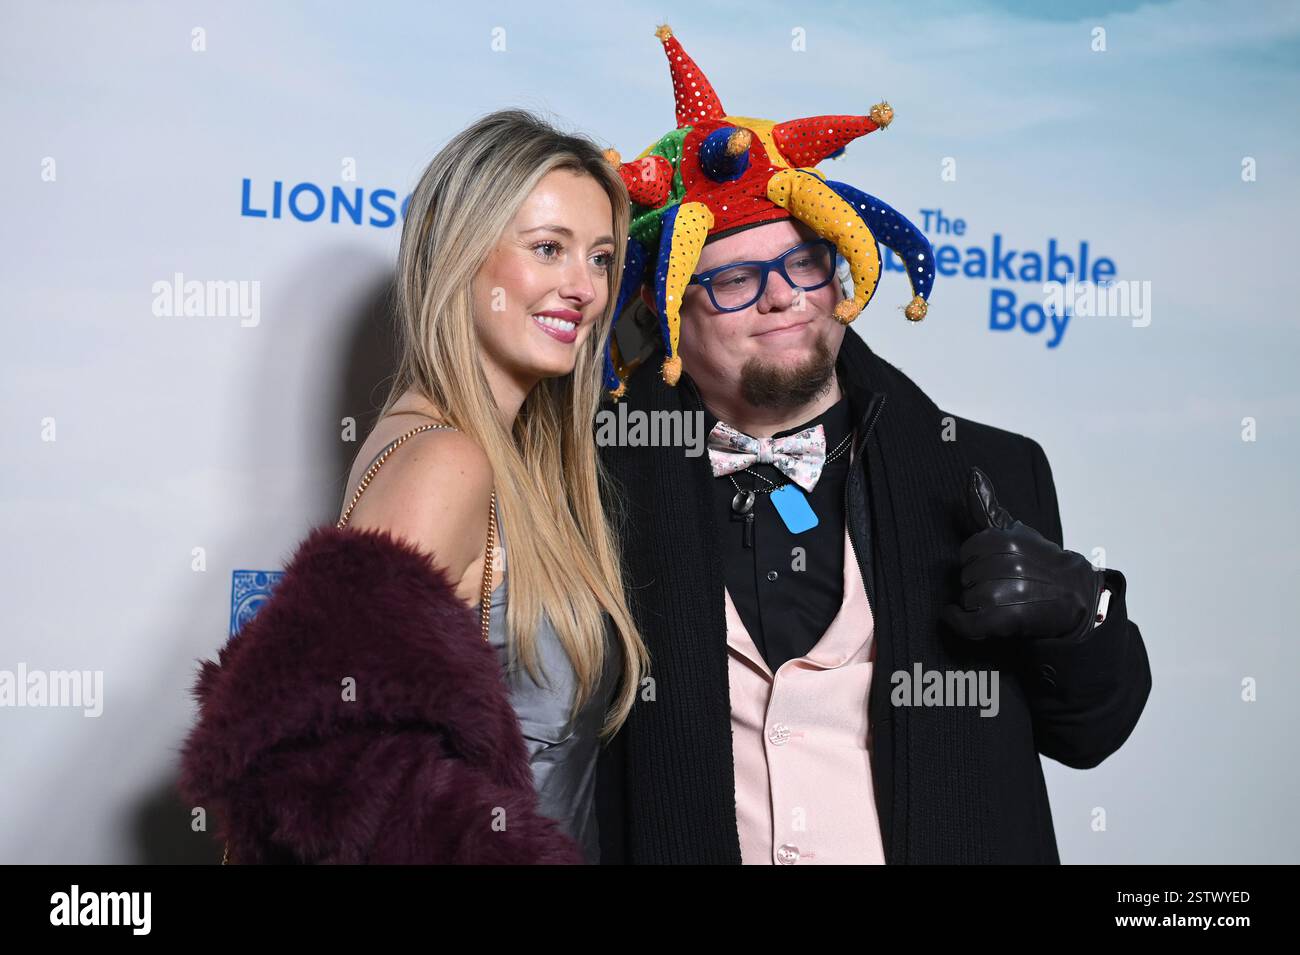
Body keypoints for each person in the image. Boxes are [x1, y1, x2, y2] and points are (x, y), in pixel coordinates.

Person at [593, 26, 1152, 864]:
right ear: (666, 313)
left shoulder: (990, 471)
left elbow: (1088, 734)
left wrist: (1082, 621)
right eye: (735, 279)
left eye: (806, 264)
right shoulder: (594, 486)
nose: (782, 299)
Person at [178, 109, 648, 864]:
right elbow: (318, 769)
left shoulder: (481, 448)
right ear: (460, 258)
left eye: (599, 258)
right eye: (548, 249)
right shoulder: (448, 462)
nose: (584, 288)